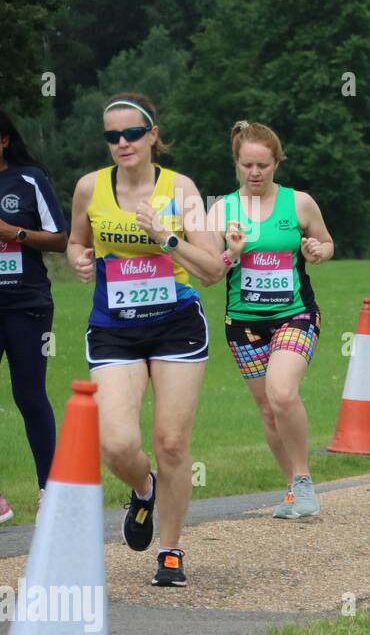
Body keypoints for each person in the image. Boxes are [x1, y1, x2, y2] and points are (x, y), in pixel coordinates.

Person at [68, 93, 225, 587]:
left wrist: (168, 238)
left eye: (132, 133)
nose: (122, 143)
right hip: (115, 327)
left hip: (175, 323)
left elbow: (214, 270)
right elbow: (77, 239)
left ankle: (172, 549)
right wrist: (77, 256)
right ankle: (143, 488)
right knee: (116, 443)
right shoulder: (89, 188)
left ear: (153, 135)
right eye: (112, 136)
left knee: (172, 442)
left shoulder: (183, 191)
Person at [206, 122, 334, 519]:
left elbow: (326, 243)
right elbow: (208, 274)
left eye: (263, 165)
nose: (255, 173)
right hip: (243, 322)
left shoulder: (299, 203)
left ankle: (303, 481)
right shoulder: (220, 210)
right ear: (236, 164)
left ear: (277, 162)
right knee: (266, 409)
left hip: (295, 314)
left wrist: (317, 250)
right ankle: (293, 490)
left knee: (282, 393)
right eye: (247, 165)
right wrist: (231, 252)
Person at [0, 110, 68, 525]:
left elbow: (61, 238)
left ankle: (51, 492)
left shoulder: (29, 179)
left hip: (26, 303)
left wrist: (15, 234)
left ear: (4, 140)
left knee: (29, 396)